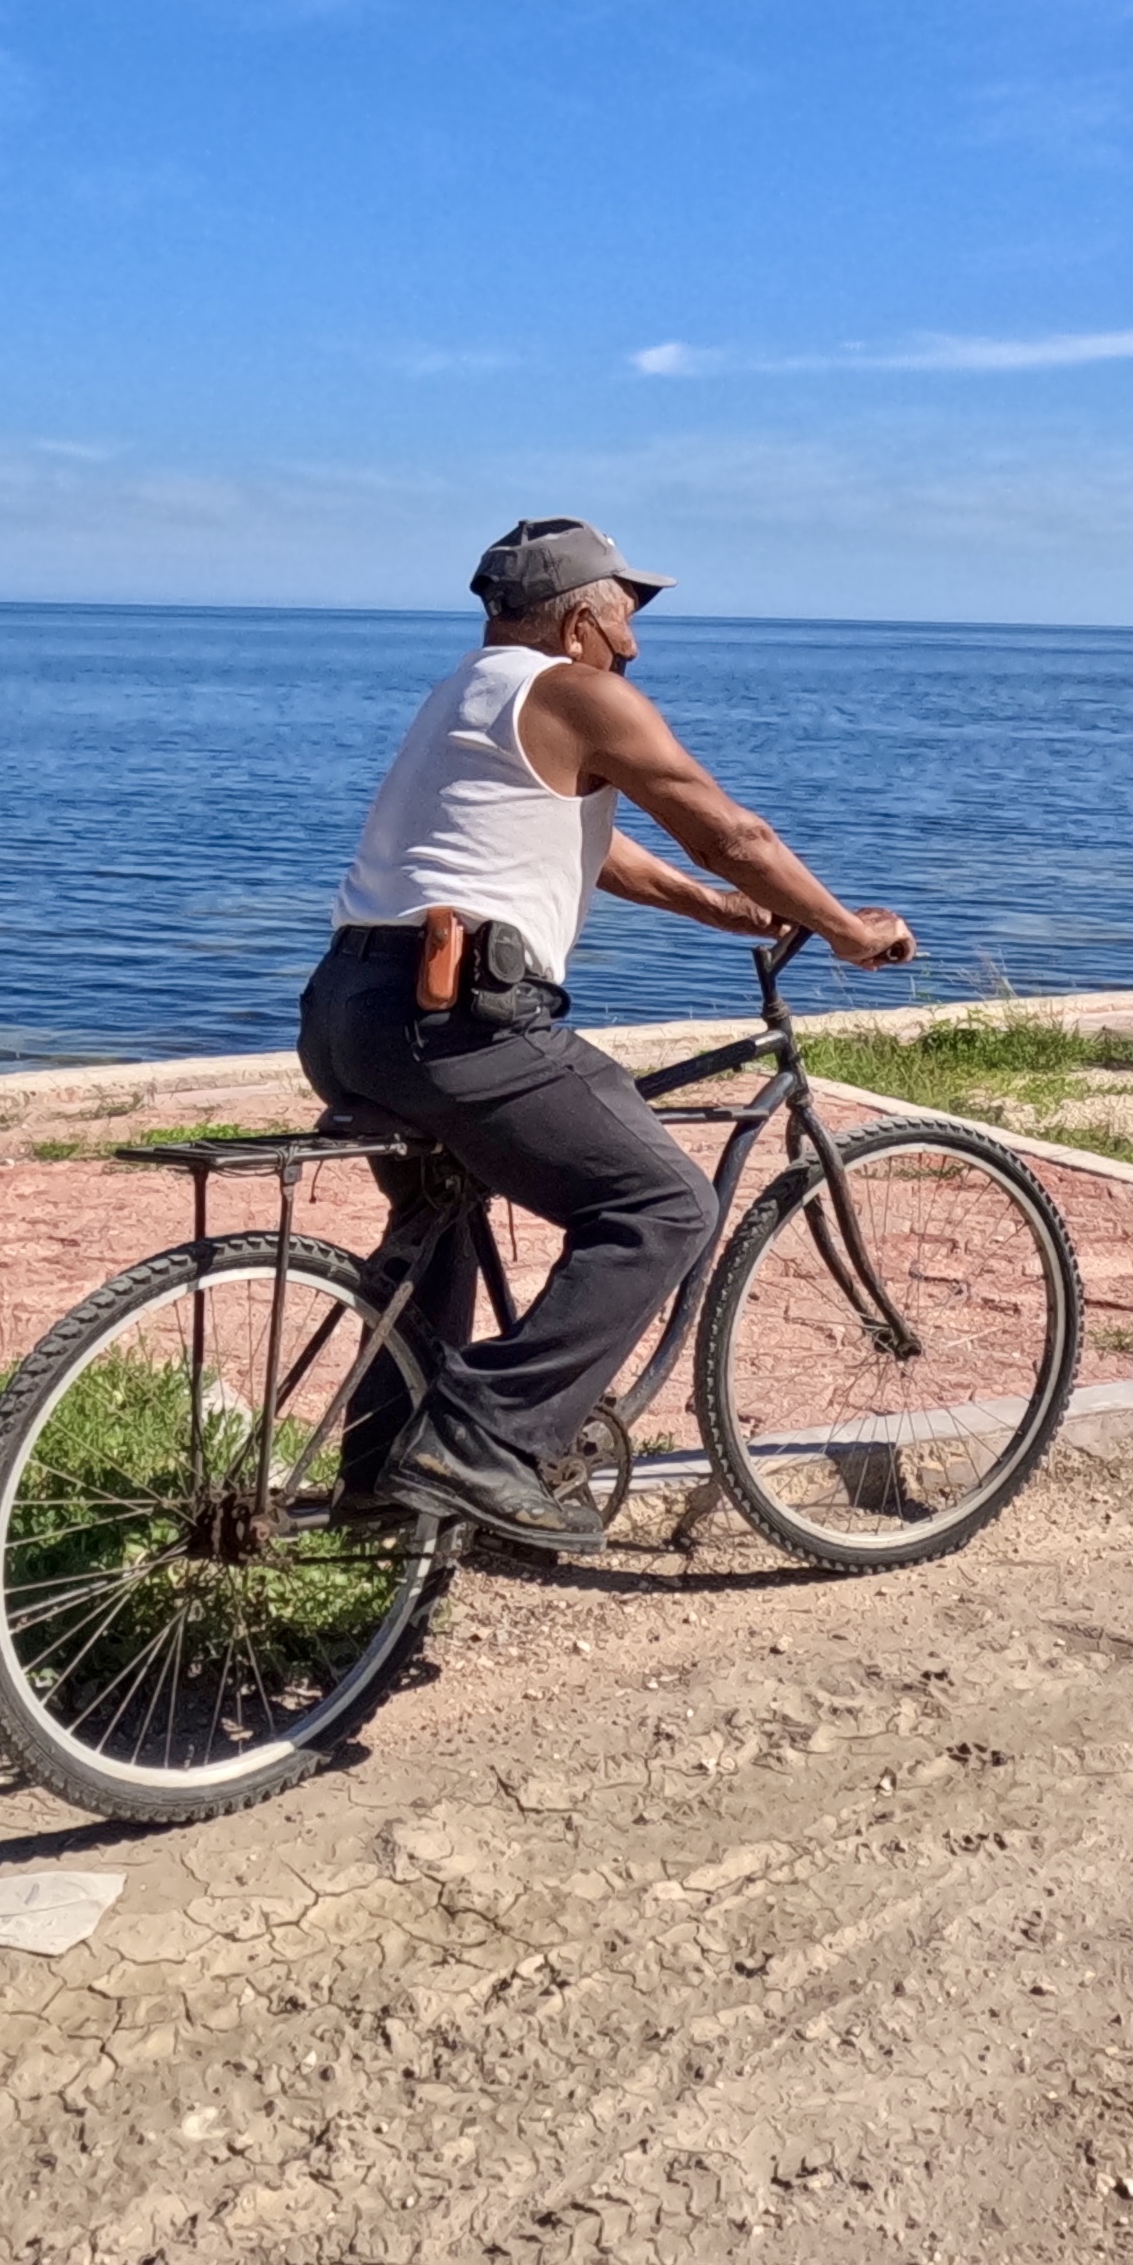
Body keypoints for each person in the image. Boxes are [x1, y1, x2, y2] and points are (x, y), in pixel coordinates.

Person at [297, 517, 917, 1551]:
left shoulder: (466, 691)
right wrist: (847, 930)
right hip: (457, 1017)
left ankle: (385, 1476)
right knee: (663, 1205)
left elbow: (594, 841)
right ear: (581, 619)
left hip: (347, 1014)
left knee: (441, 1226)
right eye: (627, 614)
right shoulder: (578, 691)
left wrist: (716, 910)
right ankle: (486, 1441)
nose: (635, 642)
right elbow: (732, 830)